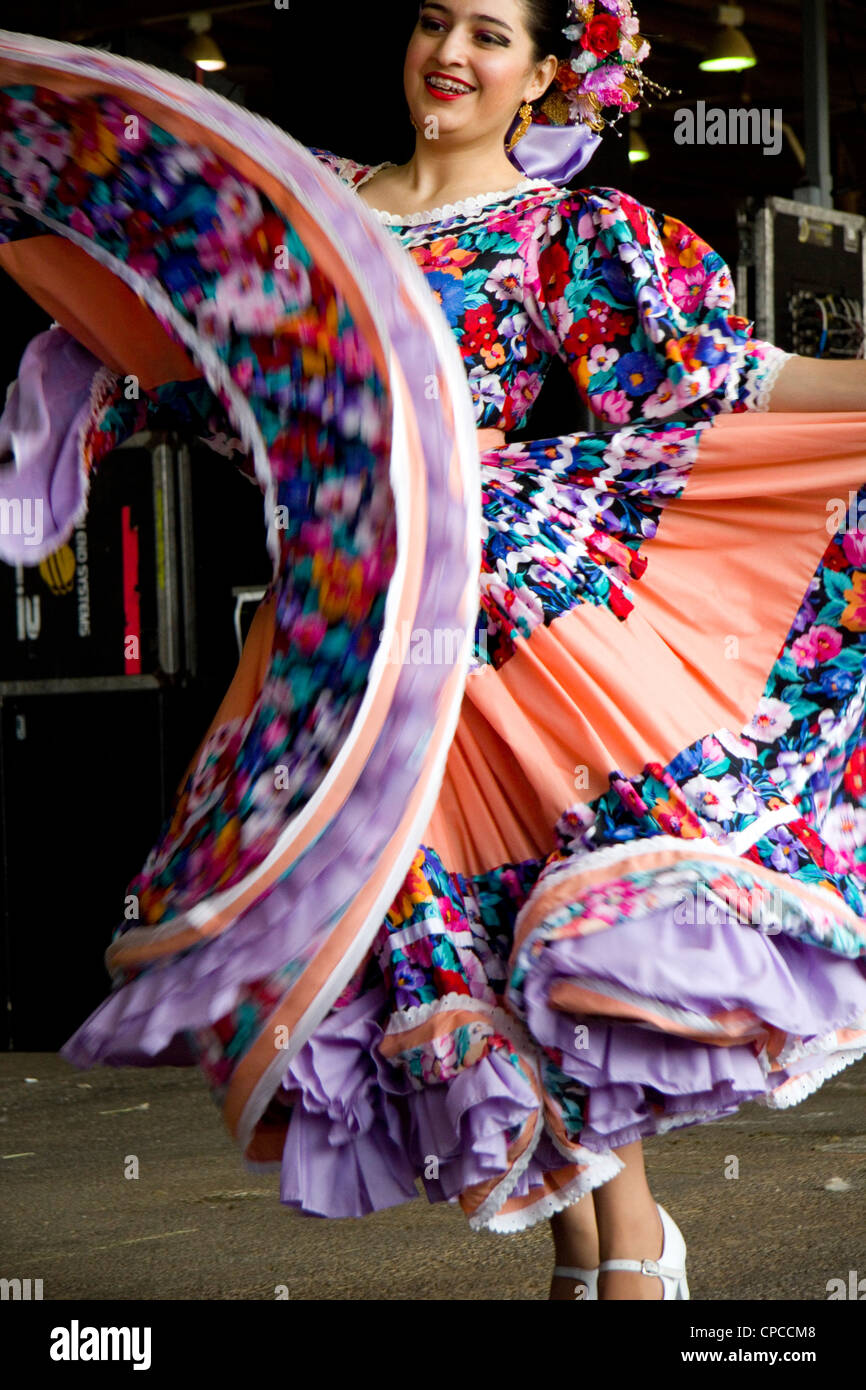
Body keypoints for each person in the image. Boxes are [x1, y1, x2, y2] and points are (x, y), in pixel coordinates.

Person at [1, 1, 866, 1303]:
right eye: (432, 22)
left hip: (499, 614)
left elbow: (721, 379)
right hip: (341, 628)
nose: (451, 53)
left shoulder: (564, 233)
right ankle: (606, 1250)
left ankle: (627, 1254)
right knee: (443, 935)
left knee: (540, 922)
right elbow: (201, 352)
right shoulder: (305, 211)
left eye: (490, 35)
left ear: (543, 75)